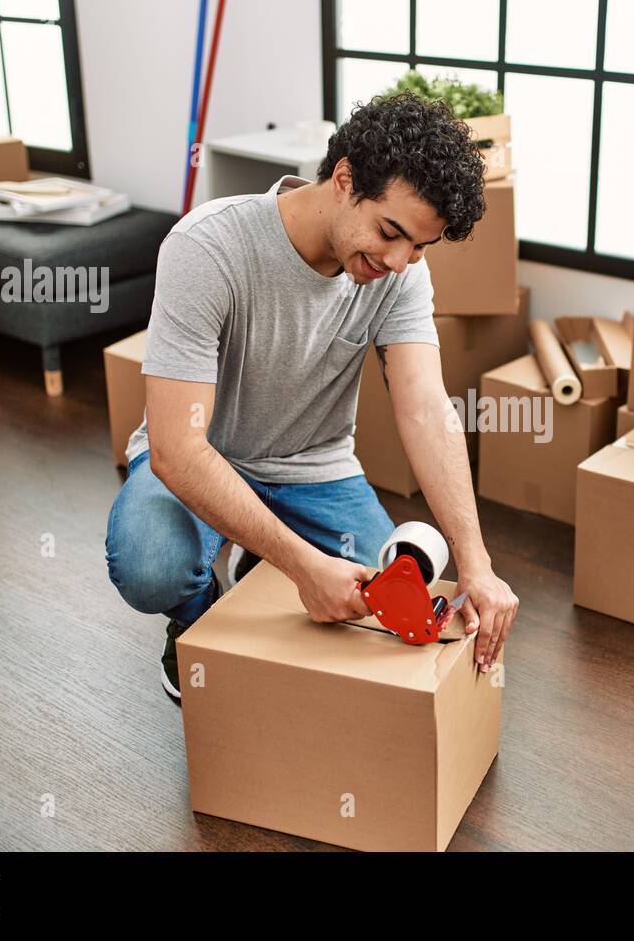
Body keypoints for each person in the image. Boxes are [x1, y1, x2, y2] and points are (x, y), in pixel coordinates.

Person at [105, 93, 519, 702]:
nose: (401, 261)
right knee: (151, 565)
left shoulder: (397, 273)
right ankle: (195, 618)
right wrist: (304, 566)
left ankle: (260, 562)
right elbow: (174, 448)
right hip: (201, 461)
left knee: (379, 597)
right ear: (344, 178)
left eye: (421, 247)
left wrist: (476, 562)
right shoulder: (207, 247)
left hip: (312, 471)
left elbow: (426, 409)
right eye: (391, 232)